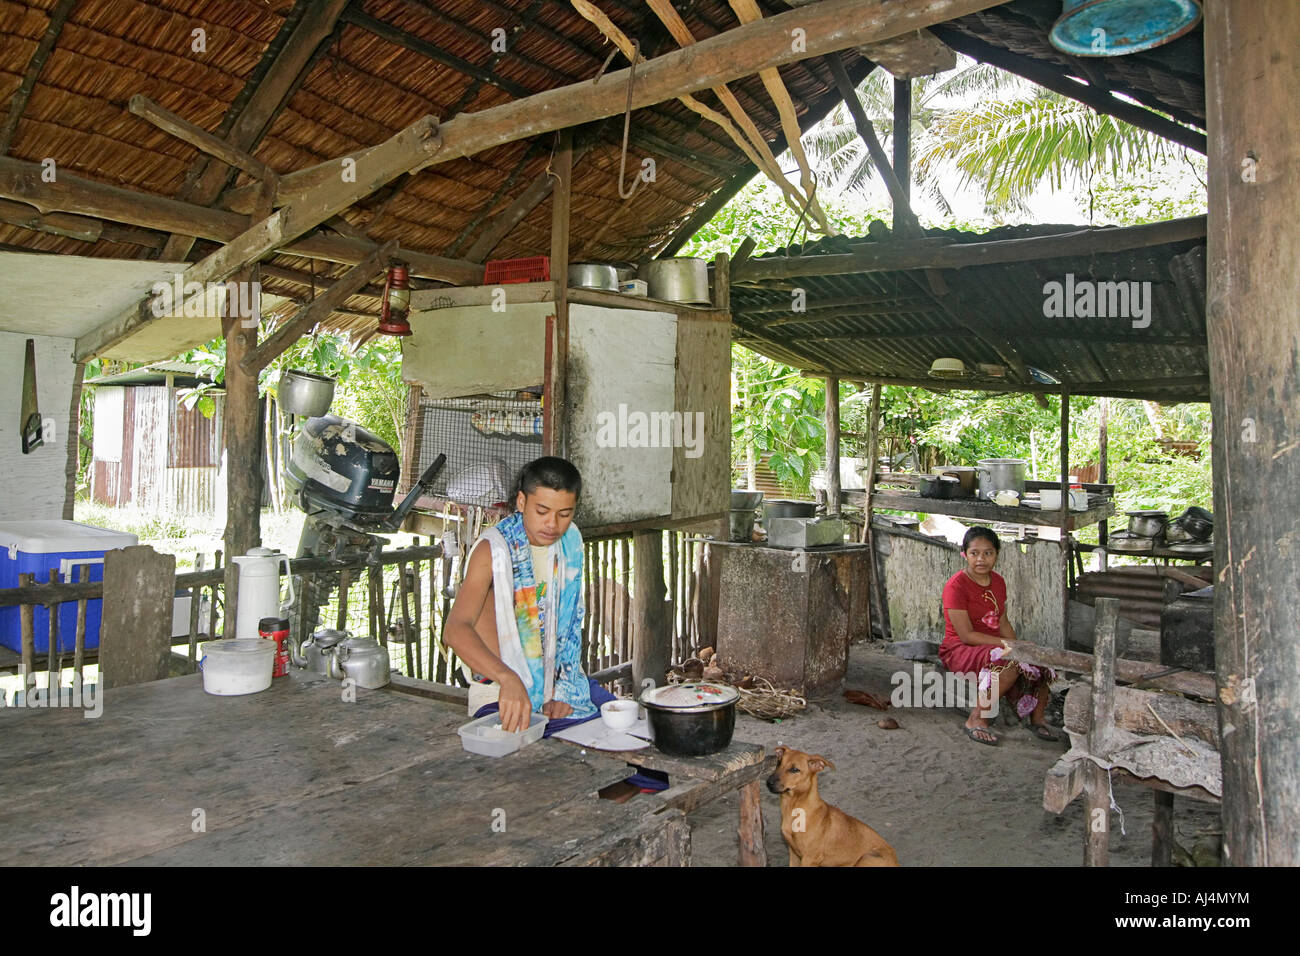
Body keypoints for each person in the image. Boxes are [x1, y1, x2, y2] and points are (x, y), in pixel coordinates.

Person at [444, 456, 612, 734]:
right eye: (542, 511)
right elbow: (455, 630)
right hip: (499, 690)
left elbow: (568, 625)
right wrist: (508, 679)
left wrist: (563, 690)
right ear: (521, 502)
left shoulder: (570, 542)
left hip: (561, 686)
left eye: (564, 514)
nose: (553, 524)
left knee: (628, 734)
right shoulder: (493, 551)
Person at [940, 526, 1058, 746]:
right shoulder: (956, 586)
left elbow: (1002, 620)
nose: (981, 559)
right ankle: (976, 719)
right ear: (965, 554)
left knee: (1038, 659)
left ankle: (1037, 718)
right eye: (974, 553)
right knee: (1009, 665)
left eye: (988, 553)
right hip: (961, 648)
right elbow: (966, 635)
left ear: (996, 555)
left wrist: (1019, 647)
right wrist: (1010, 646)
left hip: (991, 644)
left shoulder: (998, 582)